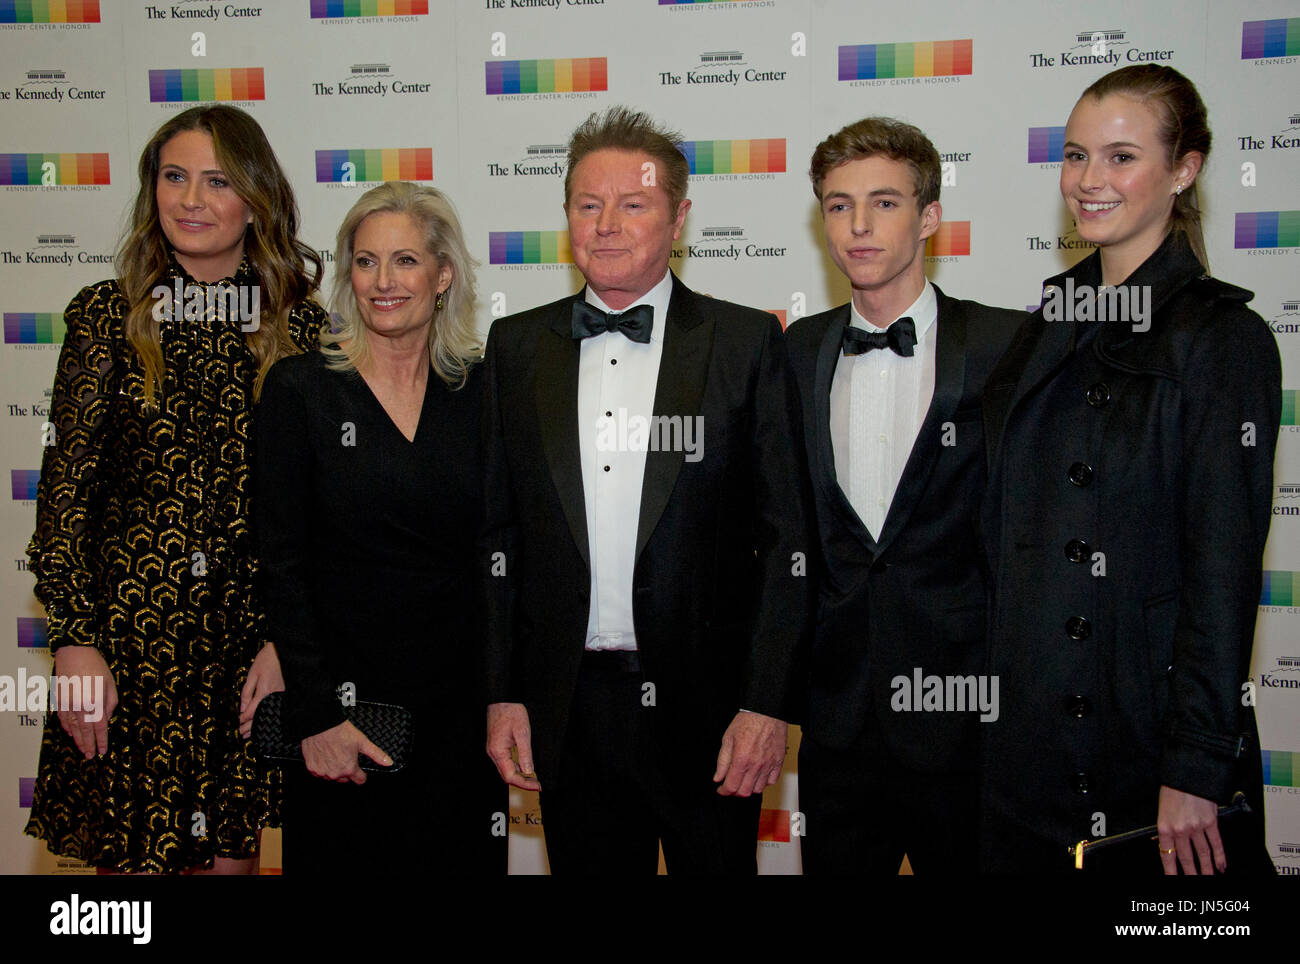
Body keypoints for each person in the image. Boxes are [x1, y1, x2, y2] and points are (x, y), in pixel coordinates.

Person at [481, 106, 812, 875]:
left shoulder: (745, 342)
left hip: (713, 714)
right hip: (567, 711)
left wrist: (766, 704)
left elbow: (787, 540)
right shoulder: (517, 346)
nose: (607, 225)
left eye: (633, 204)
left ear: (679, 217)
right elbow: (497, 534)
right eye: (587, 205)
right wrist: (502, 693)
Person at [980, 64, 1280, 874]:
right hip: (1025, 755)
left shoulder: (1224, 339)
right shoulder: (1048, 321)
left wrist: (1195, 766)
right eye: (1076, 156)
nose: (1088, 181)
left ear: (1184, 170)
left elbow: (1222, 571)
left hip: (1142, 749)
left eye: (1120, 157)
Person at [24, 105, 326, 874]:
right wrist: (75, 642)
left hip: (248, 655)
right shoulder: (108, 316)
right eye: (175, 176)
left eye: (218, 180)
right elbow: (63, 503)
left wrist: (288, 642)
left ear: (256, 198)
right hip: (130, 649)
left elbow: (324, 513)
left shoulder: (301, 327)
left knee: (232, 865)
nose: (191, 198)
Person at [784, 117, 1023, 874]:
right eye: (837, 204)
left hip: (967, 719)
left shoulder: (1007, 348)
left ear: (929, 218)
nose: (857, 225)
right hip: (836, 727)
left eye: (884, 203)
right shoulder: (791, 353)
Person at [255, 181, 507, 875]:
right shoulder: (300, 390)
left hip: (462, 715)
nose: (383, 281)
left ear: (443, 272)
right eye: (365, 262)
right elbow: (281, 563)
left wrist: (504, 698)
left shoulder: (485, 390)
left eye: (404, 261)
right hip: (344, 709)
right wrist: (315, 714)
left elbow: (503, 550)